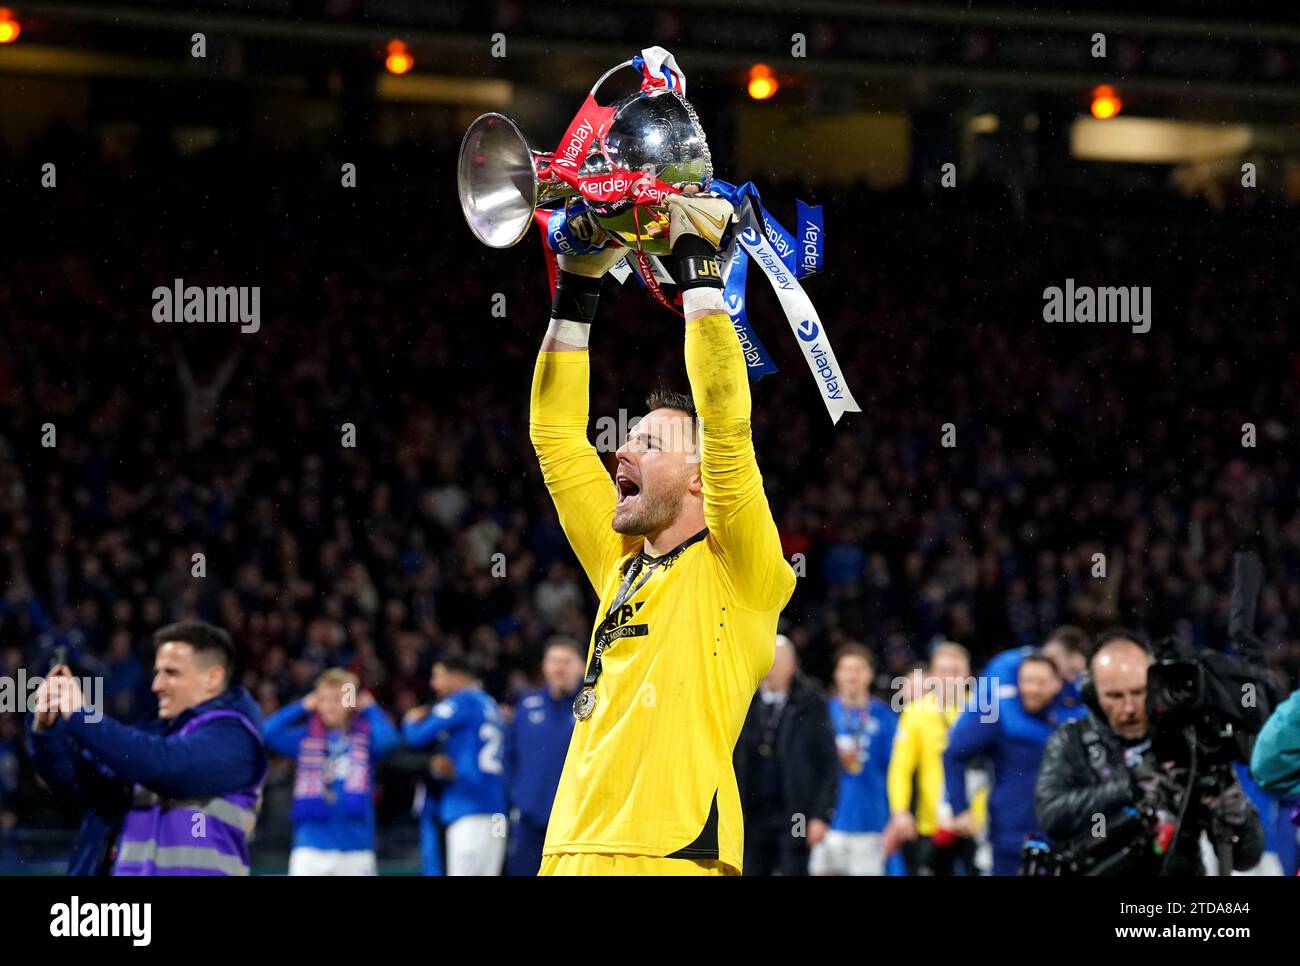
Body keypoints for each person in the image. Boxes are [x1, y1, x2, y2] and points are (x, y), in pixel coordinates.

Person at [528, 188, 796, 876]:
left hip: (671, 853)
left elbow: (727, 427)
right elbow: (556, 435)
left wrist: (699, 270)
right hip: (566, 851)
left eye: (648, 444)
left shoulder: (745, 576)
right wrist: (578, 287)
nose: (621, 451)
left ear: (701, 478)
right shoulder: (619, 562)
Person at [28, 620, 267, 875]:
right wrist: (46, 729)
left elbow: (161, 765)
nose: (157, 685)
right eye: (157, 672)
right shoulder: (149, 737)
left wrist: (82, 715)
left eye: (171, 673)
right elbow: (76, 781)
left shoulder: (234, 739)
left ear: (213, 678)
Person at [1034, 630, 1266, 875]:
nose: (1129, 708)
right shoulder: (1071, 740)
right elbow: (1052, 816)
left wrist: (1239, 821)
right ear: (1092, 693)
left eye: (1138, 692)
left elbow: (1246, 858)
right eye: (1114, 696)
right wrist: (1129, 787)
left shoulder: (1189, 744)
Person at [943, 653, 1086, 875]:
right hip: (1010, 840)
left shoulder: (1072, 721)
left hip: (1064, 837)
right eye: (1027, 681)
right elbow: (954, 753)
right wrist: (959, 808)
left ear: (1057, 684)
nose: (1033, 689)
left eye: (1041, 682)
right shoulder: (1001, 718)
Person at [262, 668, 400, 875]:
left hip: (356, 847)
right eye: (324, 699)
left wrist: (369, 707)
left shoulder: (365, 739)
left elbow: (389, 741)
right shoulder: (304, 738)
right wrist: (301, 706)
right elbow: (266, 732)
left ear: (350, 702)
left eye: (338, 699)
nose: (330, 706)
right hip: (310, 847)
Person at [734, 636, 838, 875]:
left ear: (792, 665)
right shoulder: (742, 701)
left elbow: (828, 765)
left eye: (777, 661)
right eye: (766, 660)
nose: (771, 667)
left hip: (796, 814)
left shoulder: (812, 705)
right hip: (751, 814)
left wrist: (820, 816)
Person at [403, 655, 508, 876]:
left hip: (467, 807)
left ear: (456, 677)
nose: (433, 684)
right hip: (495, 808)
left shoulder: (462, 700)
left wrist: (409, 721)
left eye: (438, 676)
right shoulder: (490, 704)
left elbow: (417, 737)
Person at [884, 641, 980, 874]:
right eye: (943, 672)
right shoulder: (916, 712)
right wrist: (899, 811)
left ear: (967, 674)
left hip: (977, 821)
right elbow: (900, 768)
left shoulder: (983, 710)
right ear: (933, 675)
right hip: (933, 822)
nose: (950, 678)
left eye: (956, 671)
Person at [808, 643, 897, 876]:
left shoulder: (886, 718)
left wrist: (894, 820)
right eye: (846, 669)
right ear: (836, 675)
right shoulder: (821, 715)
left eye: (858, 669)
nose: (852, 675)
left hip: (871, 825)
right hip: (827, 824)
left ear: (870, 674)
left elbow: (896, 772)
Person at [504, 638, 582, 876]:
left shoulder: (594, 707)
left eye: (567, 662)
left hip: (574, 822)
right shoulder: (526, 705)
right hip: (528, 821)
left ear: (581, 666)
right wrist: (515, 799)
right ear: (543, 666)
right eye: (554, 661)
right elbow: (509, 757)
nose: (559, 668)